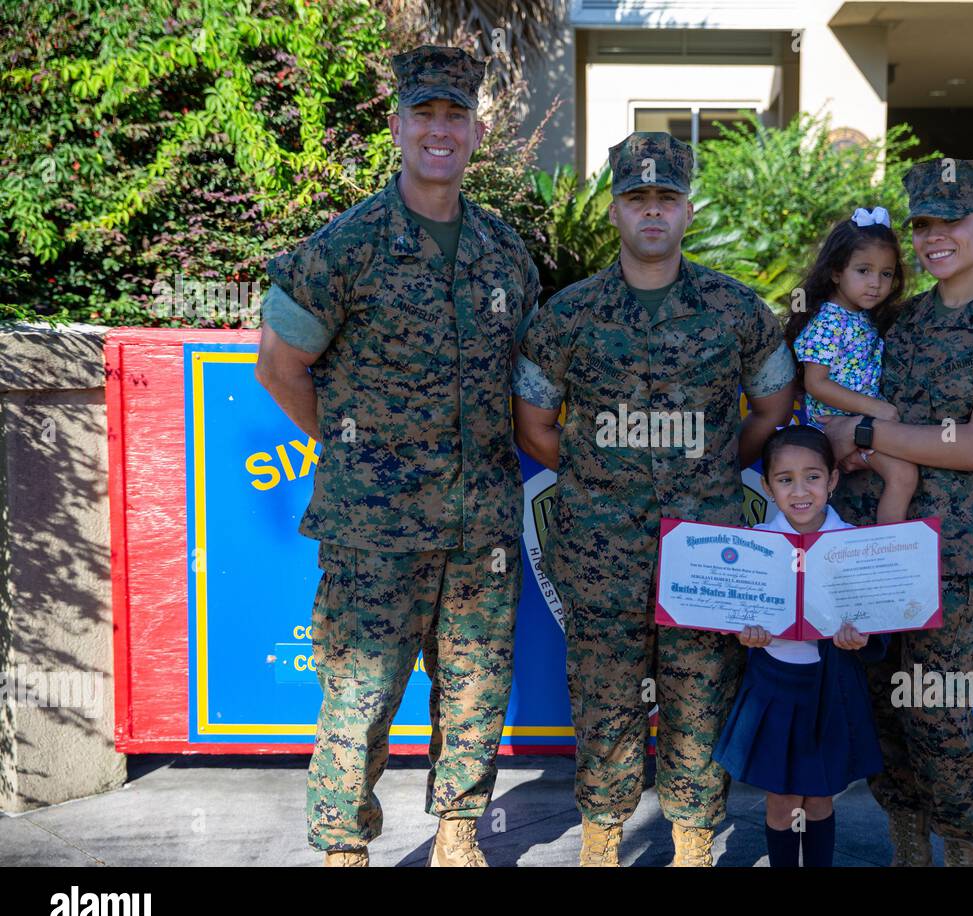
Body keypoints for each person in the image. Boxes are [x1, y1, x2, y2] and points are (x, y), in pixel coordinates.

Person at [254, 45, 540, 868]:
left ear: (478, 132)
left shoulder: (504, 252)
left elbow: (525, 377)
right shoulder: (346, 246)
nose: (440, 131)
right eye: (425, 115)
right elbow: (280, 364)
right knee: (360, 692)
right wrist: (354, 451)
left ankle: (458, 834)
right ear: (398, 126)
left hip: (480, 522)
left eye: (456, 116)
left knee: (477, 691)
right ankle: (344, 848)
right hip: (374, 527)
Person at [512, 131, 796, 866]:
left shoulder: (736, 310)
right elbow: (537, 423)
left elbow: (770, 408)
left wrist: (706, 470)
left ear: (687, 211)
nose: (651, 212)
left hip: (706, 553)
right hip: (600, 552)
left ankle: (693, 842)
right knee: (605, 702)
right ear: (614, 210)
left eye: (665, 198)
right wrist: (597, 475)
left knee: (699, 700)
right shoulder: (568, 316)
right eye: (636, 198)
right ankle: (603, 840)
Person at [819, 158, 973, 867]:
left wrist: (861, 435)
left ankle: (967, 854)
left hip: (950, 554)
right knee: (884, 712)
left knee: (941, 715)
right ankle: (908, 849)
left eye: (951, 221)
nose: (933, 237)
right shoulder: (900, 320)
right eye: (922, 223)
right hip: (872, 544)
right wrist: (857, 444)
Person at [712, 425, 887, 867]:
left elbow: (877, 632)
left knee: (821, 799)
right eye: (785, 479)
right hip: (773, 684)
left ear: (832, 480)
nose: (800, 490)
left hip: (830, 687)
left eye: (812, 476)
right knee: (783, 801)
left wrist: (860, 639)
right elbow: (736, 617)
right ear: (769, 487)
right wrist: (744, 634)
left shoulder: (854, 546)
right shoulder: (754, 547)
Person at [786, 206, 917, 524]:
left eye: (886, 274)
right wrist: (876, 409)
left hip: (858, 425)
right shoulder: (829, 320)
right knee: (902, 474)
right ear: (836, 272)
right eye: (863, 271)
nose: (876, 283)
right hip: (833, 427)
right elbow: (816, 383)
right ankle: (891, 552)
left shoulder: (862, 317)